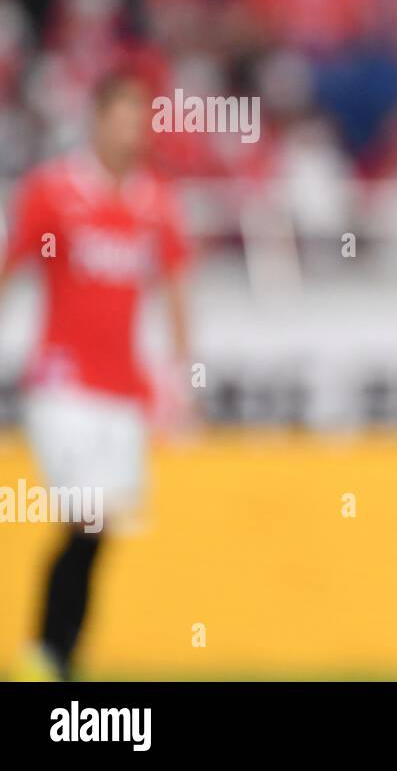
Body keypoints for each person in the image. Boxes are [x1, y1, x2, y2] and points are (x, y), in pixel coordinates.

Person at [2, 71, 192, 681]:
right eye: (124, 117)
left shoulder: (154, 202)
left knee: (101, 524)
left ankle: (60, 656)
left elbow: (176, 287)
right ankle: (46, 651)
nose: (134, 130)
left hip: (122, 389)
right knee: (87, 512)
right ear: (97, 120)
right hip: (63, 383)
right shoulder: (52, 193)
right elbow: (12, 265)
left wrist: (180, 374)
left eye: (142, 119)